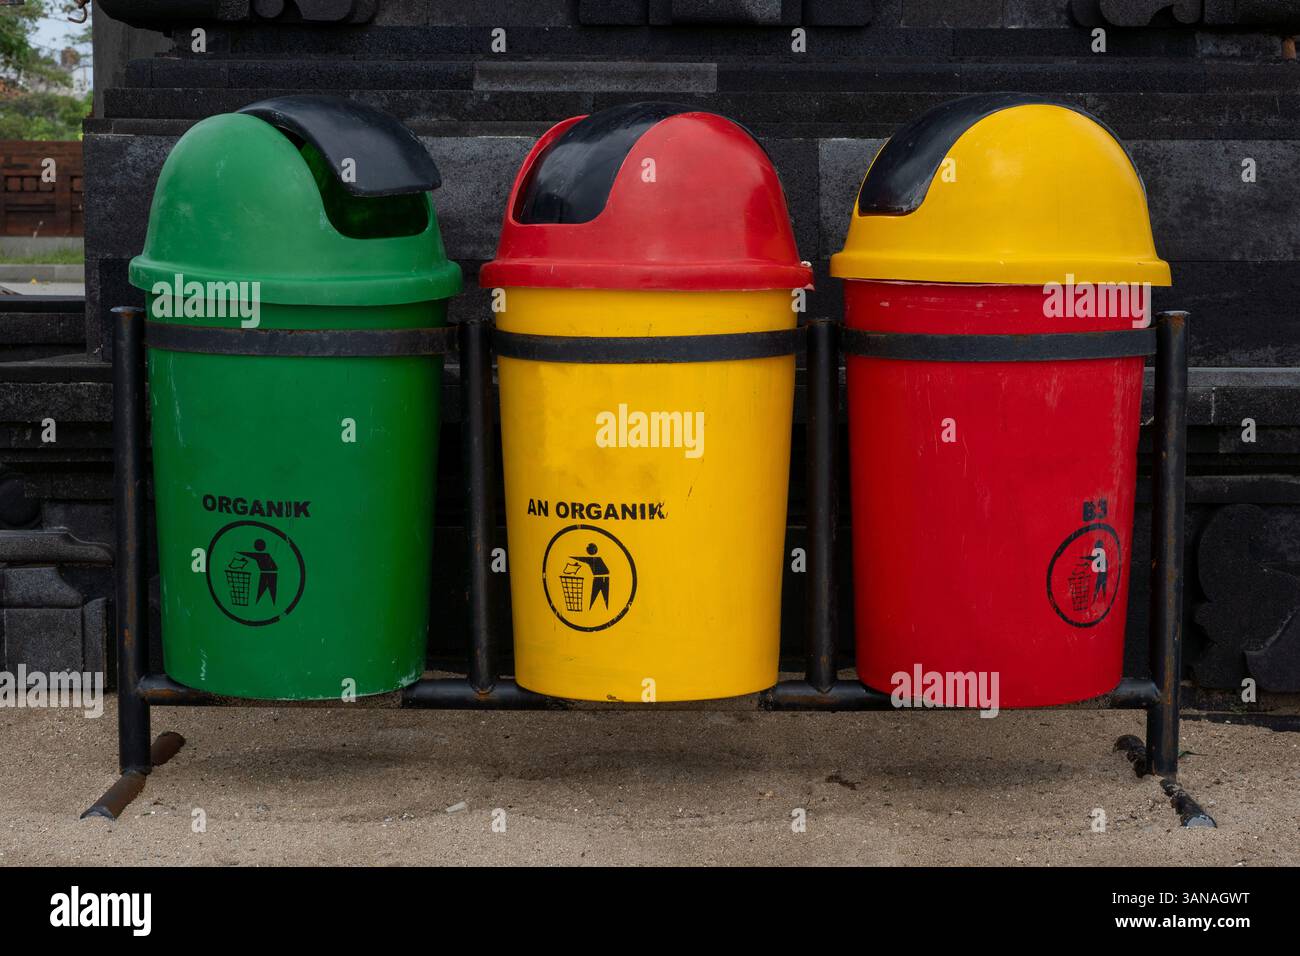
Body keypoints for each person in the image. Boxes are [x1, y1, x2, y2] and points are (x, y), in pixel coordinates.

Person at [237, 539, 278, 605]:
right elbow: (253, 555)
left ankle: (273, 606)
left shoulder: (265, 555)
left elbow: (252, 555)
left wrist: (239, 552)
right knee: (262, 592)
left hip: (271, 574)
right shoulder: (264, 555)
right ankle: (259, 604)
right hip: (267, 573)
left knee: (270, 592)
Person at [572, 542, 610, 610]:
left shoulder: (596, 559)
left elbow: (583, 559)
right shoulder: (594, 559)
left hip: (603, 579)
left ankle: (599, 609)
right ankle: (590, 609)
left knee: (603, 599)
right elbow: (583, 559)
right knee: (594, 599)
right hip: (599, 578)